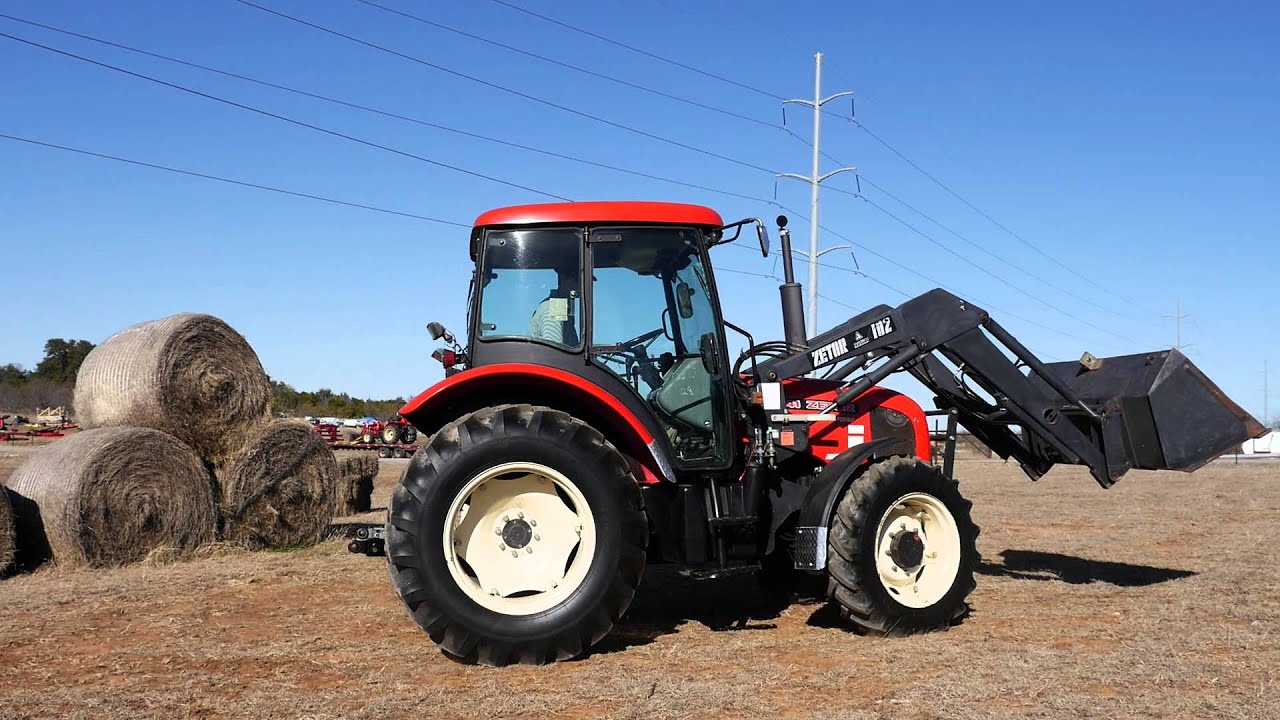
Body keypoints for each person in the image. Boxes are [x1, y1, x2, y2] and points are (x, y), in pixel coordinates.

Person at [528, 266, 580, 347]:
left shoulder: (565, 307)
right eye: (578, 279)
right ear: (564, 279)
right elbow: (554, 350)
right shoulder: (556, 306)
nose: (582, 285)